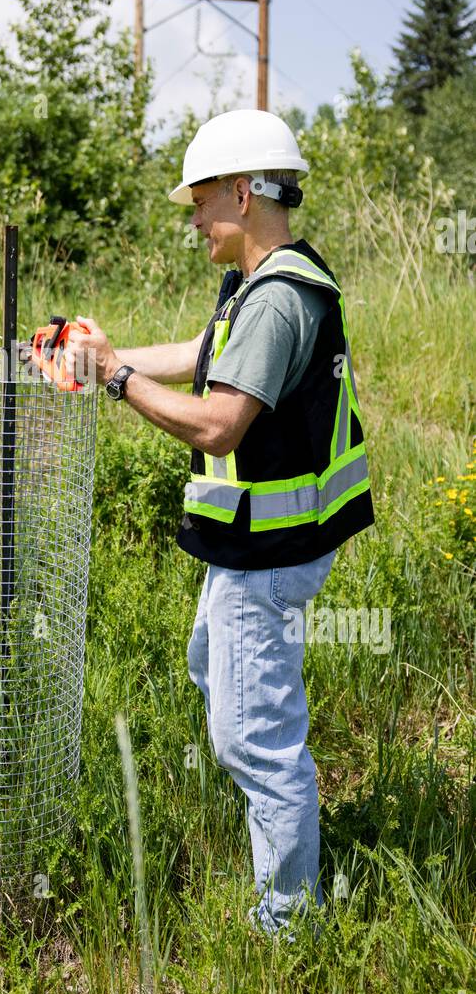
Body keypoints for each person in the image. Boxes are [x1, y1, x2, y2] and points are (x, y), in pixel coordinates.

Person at [65, 108, 375, 941]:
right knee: (222, 675)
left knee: (255, 740)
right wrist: (108, 352)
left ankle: (288, 922)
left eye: (201, 202)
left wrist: (115, 377)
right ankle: (291, 854)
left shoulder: (276, 300)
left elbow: (217, 423)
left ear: (243, 192)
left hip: (263, 558)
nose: (195, 221)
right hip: (262, 549)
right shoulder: (268, 282)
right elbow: (209, 351)